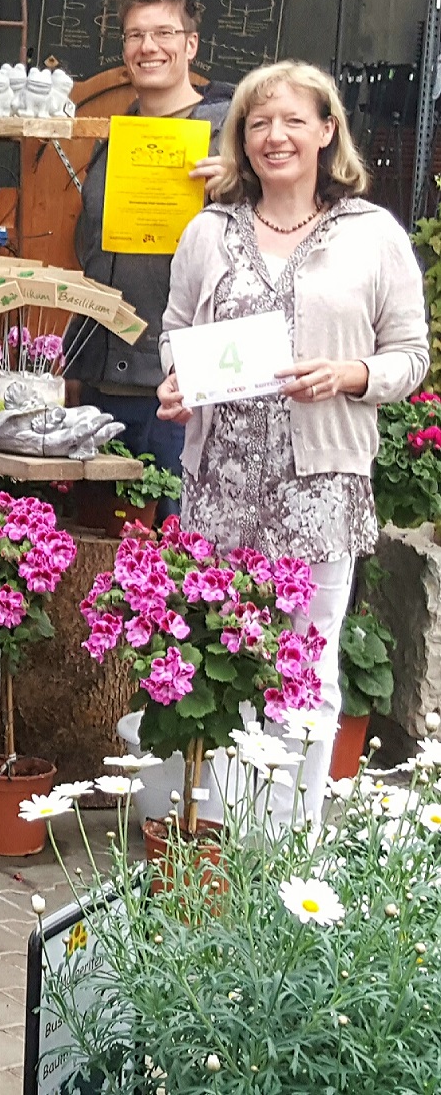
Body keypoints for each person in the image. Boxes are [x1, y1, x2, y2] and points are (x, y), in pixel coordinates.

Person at [157, 60, 428, 826]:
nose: (274, 136)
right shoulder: (209, 231)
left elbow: (410, 356)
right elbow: (176, 331)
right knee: (222, 660)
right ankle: (219, 835)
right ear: (241, 139)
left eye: (292, 120)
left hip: (319, 489)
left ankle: (289, 841)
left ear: (327, 130)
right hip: (220, 486)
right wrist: (177, 382)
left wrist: (350, 373)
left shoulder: (372, 235)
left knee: (304, 669)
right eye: (257, 123)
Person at [66, 0, 234, 520]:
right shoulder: (112, 140)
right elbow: (89, 248)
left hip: (181, 391)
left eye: (164, 33)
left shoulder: (234, 138)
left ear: (191, 44)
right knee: (97, 545)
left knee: (175, 545)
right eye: (136, 35)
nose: (148, 47)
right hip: (101, 380)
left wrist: (243, 186)